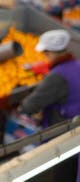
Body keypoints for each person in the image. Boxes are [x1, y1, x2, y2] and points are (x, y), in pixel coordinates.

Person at [19, 29, 80, 181]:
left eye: (45, 54)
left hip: (65, 132)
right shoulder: (76, 64)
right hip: (76, 126)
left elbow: (30, 106)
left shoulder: (57, 76)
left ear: (51, 52)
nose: (45, 57)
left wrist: (23, 106)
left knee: (63, 171)